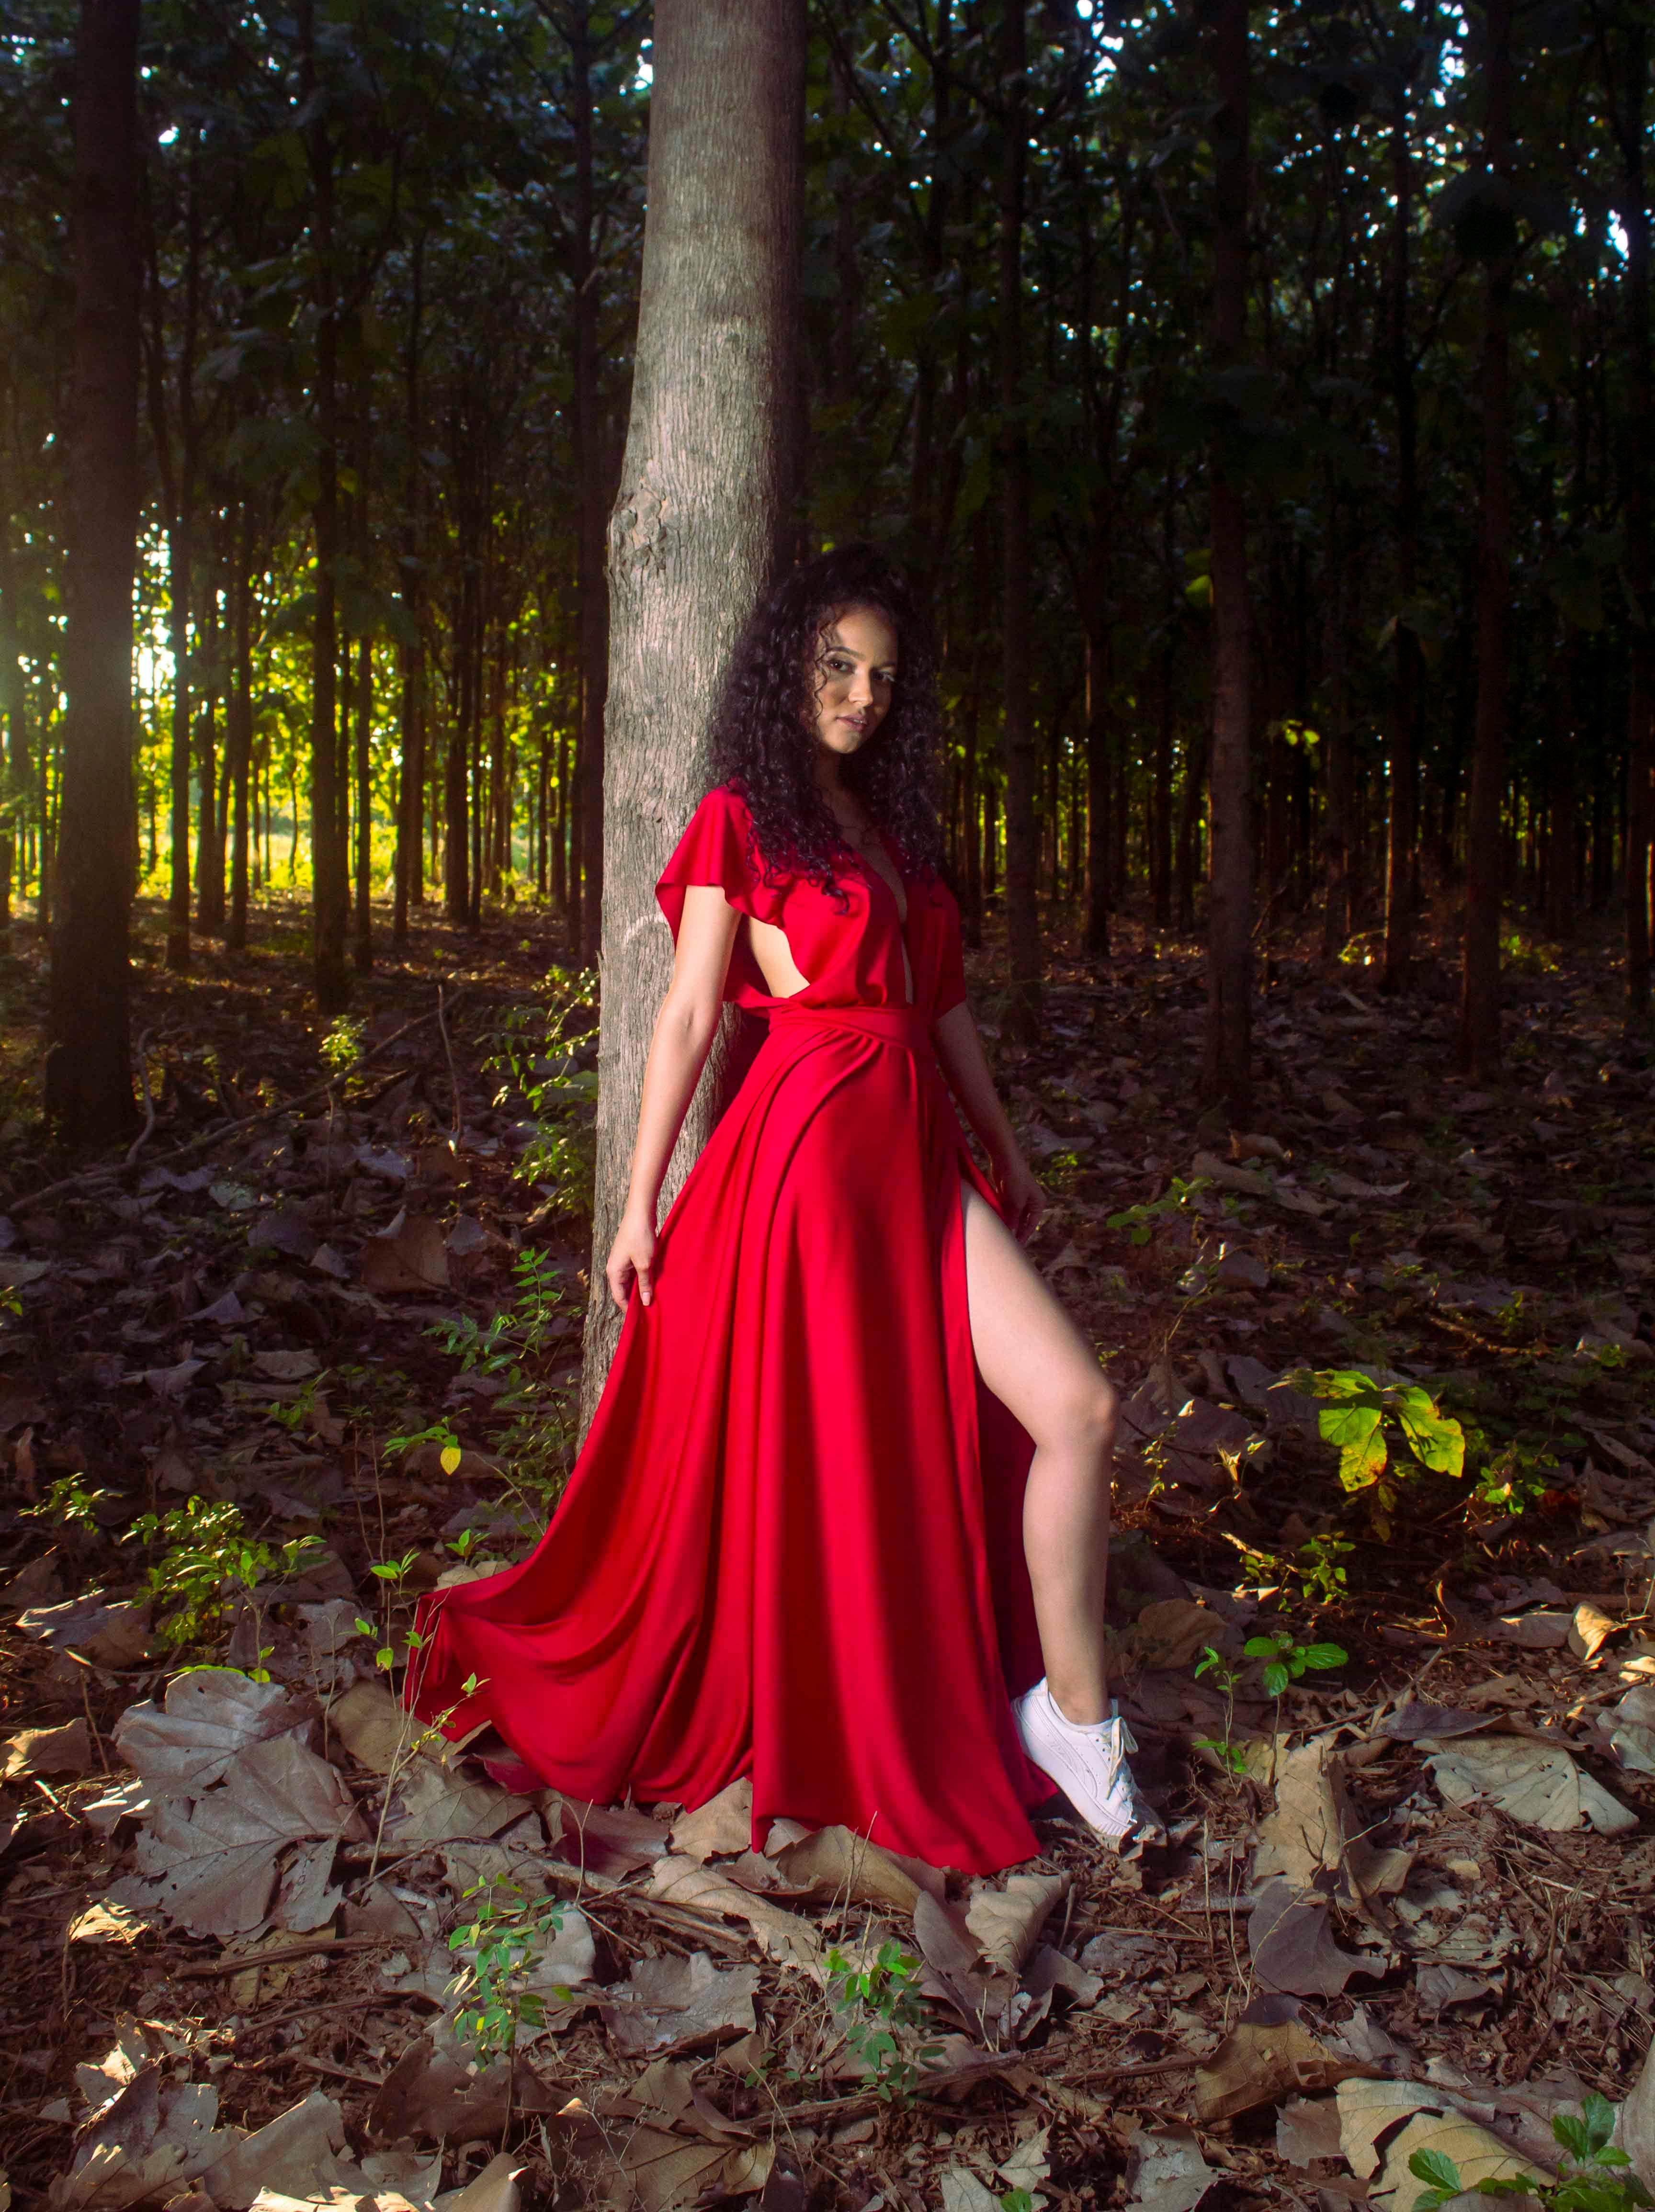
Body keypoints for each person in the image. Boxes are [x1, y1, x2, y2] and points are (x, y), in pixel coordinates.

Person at [406, 547, 1145, 1871]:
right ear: (787, 667)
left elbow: (946, 1009)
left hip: (915, 1151)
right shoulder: (742, 815)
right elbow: (689, 1013)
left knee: (1078, 1409)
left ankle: (1071, 1719)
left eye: (880, 678)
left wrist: (1007, 1151)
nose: (859, 696)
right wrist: (637, 1206)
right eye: (836, 667)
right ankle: (866, 1710)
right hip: (804, 1156)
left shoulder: (900, 828)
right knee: (838, 1458)